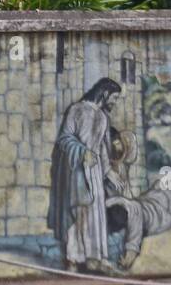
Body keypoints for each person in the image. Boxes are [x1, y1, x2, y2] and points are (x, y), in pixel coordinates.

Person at [48, 77, 122, 270]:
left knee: (95, 214)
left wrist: (109, 173)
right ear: (104, 93)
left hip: (96, 172)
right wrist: (82, 152)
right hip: (77, 171)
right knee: (78, 211)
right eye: (114, 97)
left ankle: (94, 256)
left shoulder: (104, 117)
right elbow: (64, 138)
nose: (115, 101)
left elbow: (103, 150)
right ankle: (73, 257)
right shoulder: (77, 110)